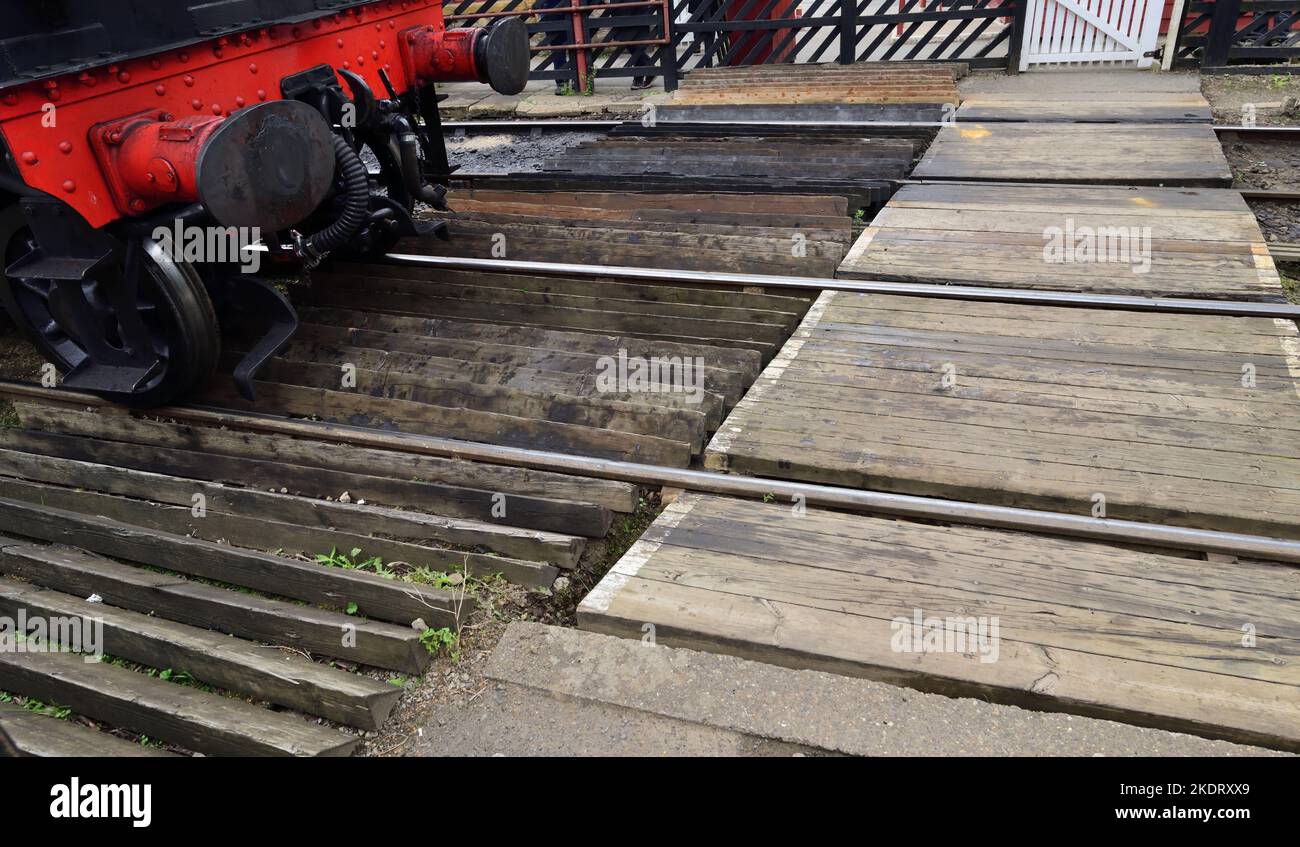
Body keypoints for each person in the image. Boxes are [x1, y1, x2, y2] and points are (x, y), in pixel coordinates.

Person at [534, 0, 575, 94]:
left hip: (569, 9)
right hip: (551, 10)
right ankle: (563, 82)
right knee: (558, 49)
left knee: (575, 46)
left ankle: (576, 79)